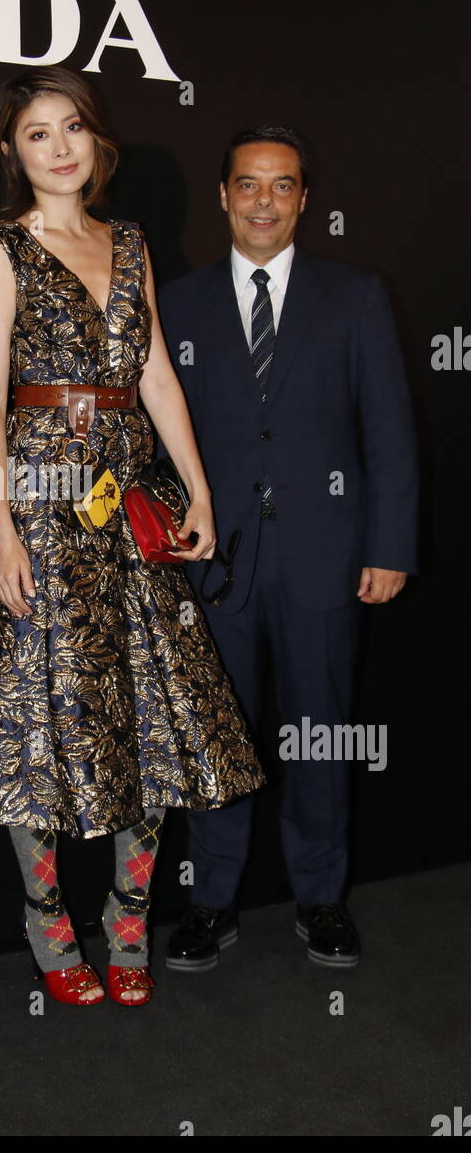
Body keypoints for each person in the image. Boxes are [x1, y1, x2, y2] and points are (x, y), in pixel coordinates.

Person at [0, 67, 264, 1006]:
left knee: (152, 715)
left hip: (124, 505)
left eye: (73, 127)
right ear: (12, 152)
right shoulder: (0, 250)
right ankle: (48, 925)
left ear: (98, 139)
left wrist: (198, 490)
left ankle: (129, 917)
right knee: (36, 721)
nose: (61, 147)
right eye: (38, 134)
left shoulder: (129, 243)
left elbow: (156, 375)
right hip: (37, 500)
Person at [158, 126, 418, 972]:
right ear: (223, 196)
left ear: (305, 199)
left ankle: (320, 898)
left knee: (322, 734)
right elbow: (158, 442)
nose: (263, 201)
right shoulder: (178, 302)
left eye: (281, 186)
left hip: (325, 558)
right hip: (213, 563)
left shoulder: (356, 297)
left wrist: (390, 545)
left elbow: (390, 433)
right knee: (216, 739)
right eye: (247, 185)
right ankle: (211, 902)